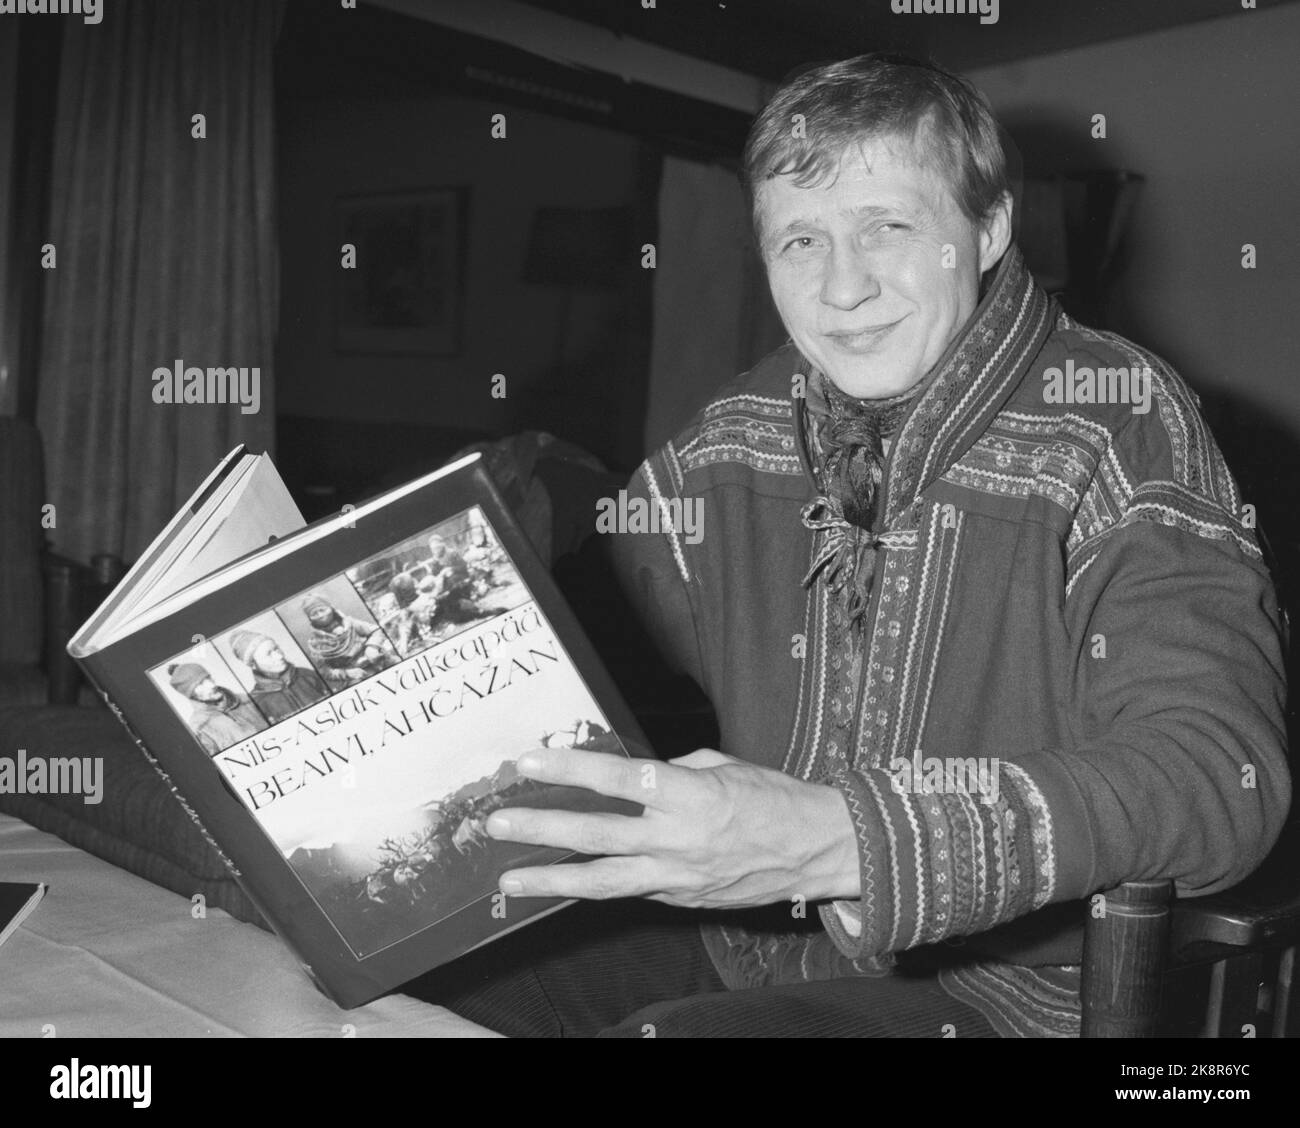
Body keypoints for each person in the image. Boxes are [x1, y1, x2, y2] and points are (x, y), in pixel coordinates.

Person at [404, 53, 1290, 1038]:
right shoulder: (737, 429)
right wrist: (458, 574)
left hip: (1003, 993)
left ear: (988, 226)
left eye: (889, 227)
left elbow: (1218, 780)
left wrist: (841, 841)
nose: (842, 289)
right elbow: (602, 570)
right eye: (799, 241)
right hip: (746, 932)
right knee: (401, 999)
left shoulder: (1118, 418)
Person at [298, 591, 398, 689]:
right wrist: (346, 673)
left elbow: (376, 630)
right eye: (314, 613)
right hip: (356, 676)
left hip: (378, 659)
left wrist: (372, 647)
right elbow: (324, 671)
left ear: (331, 608)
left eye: (322, 610)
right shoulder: (316, 644)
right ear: (310, 618)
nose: (320, 615)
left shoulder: (350, 623)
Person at [229, 628, 328, 724]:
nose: (279, 656)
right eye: (268, 654)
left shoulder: (307, 675)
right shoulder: (257, 702)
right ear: (253, 665)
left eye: (276, 649)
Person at [167, 662, 264, 755]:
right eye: (200, 684)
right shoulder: (200, 727)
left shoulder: (245, 700)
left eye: (208, 678)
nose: (212, 685)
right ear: (191, 694)